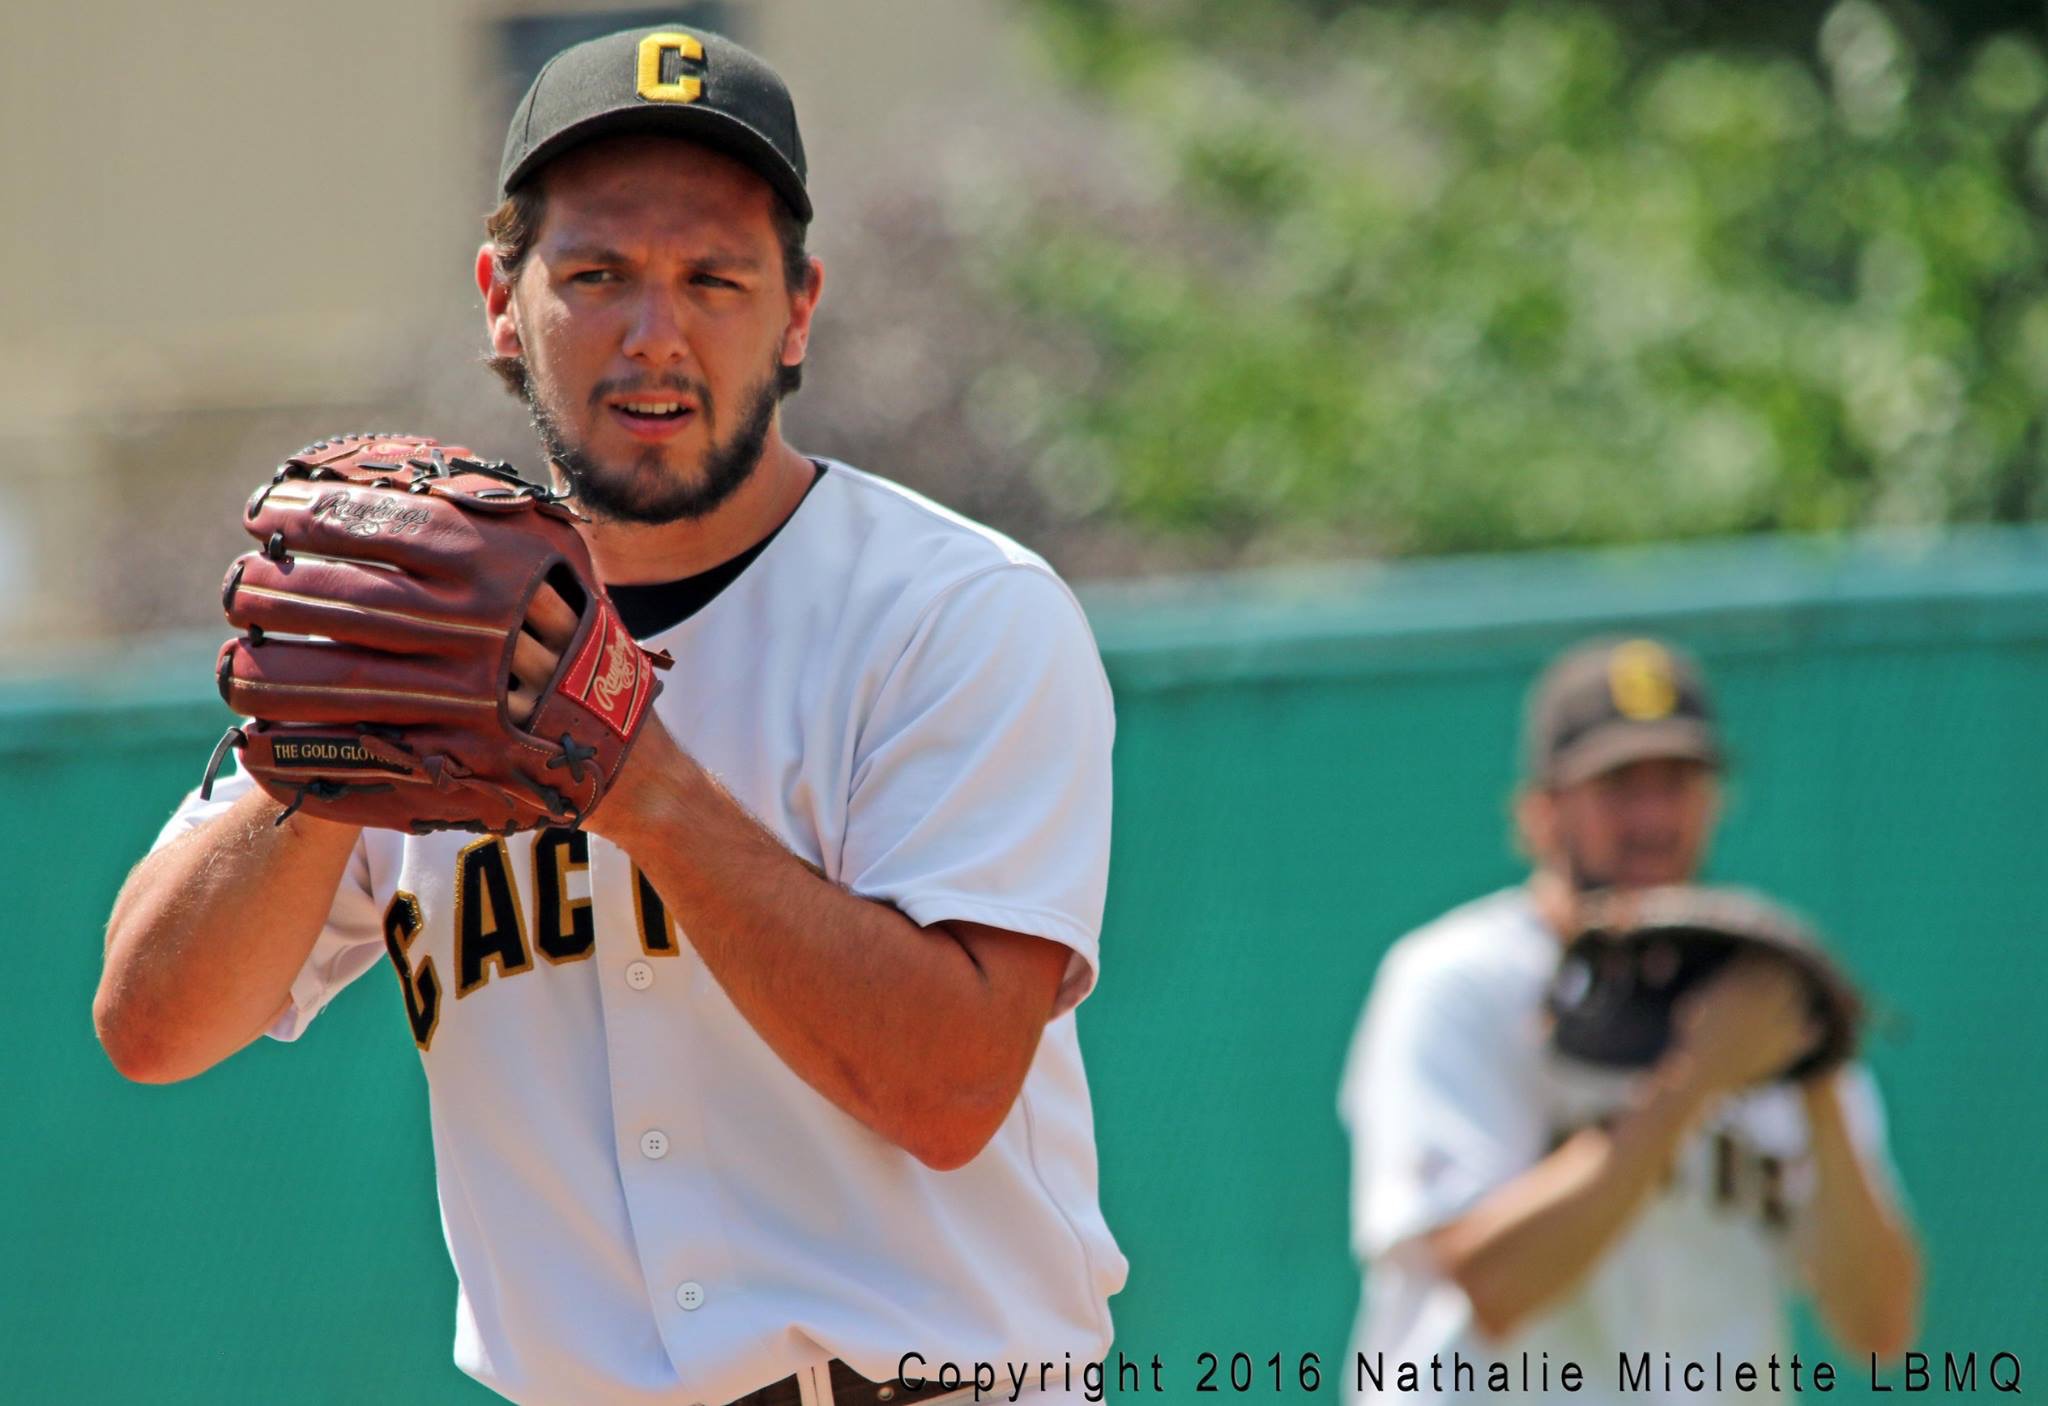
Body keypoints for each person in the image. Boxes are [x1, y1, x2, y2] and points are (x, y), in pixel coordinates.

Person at [94, 25, 1123, 1406]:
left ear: (798, 311)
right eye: (595, 275)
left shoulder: (954, 613)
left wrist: (645, 784)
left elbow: (945, 1091)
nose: (654, 333)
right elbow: (151, 1025)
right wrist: (321, 763)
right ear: (500, 301)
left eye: (714, 278)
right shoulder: (421, 618)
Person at [1338, 637, 1921, 1402]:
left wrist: (1813, 1073)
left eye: (1677, 782)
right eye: (1618, 784)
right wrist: (1691, 1084)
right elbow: (1494, 1285)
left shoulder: (1755, 995)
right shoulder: (1460, 980)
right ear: (1541, 813)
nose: (1652, 816)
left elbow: (1879, 1328)